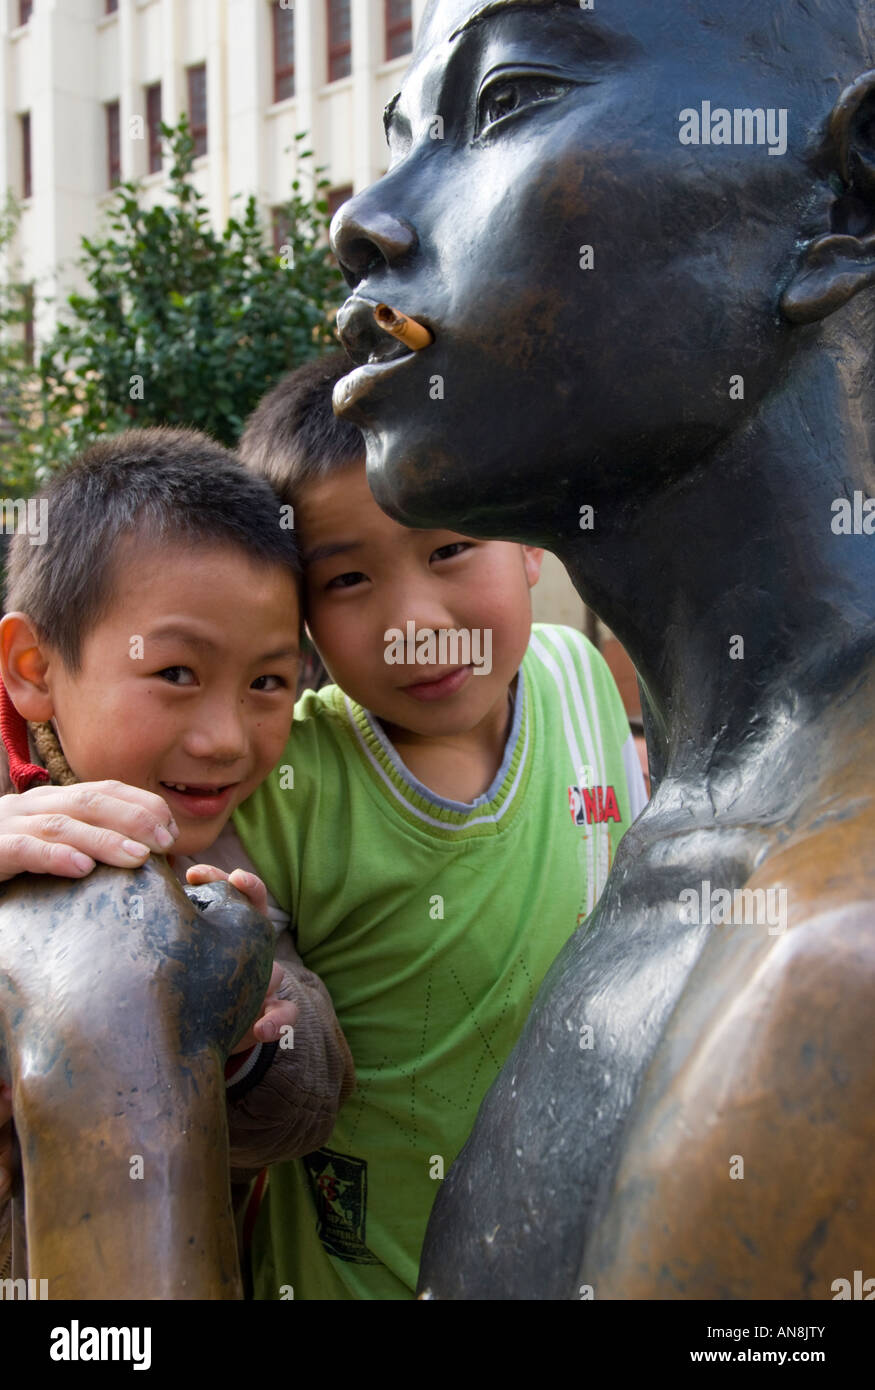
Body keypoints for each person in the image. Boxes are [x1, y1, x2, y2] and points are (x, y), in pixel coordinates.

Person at [328, 0, 875, 1298]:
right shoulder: (733, 821)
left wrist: (99, 1051)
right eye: (399, 132)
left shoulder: (833, 966)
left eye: (504, 100)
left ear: (843, 200)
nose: (363, 215)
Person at [217, 351, 647, 1298]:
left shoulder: (578, 678)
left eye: (449, 548)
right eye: (345, 582)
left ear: (529, 540)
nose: (414, 622)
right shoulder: (283, 774)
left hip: (575, 1251)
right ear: (300, 617)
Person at [0, 427, 355, 1282]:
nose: (226, 740)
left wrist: (245, 1044)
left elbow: (310, 1104)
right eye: (175, 674)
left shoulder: (216, 858)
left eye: (269, 683)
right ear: (34, 667)